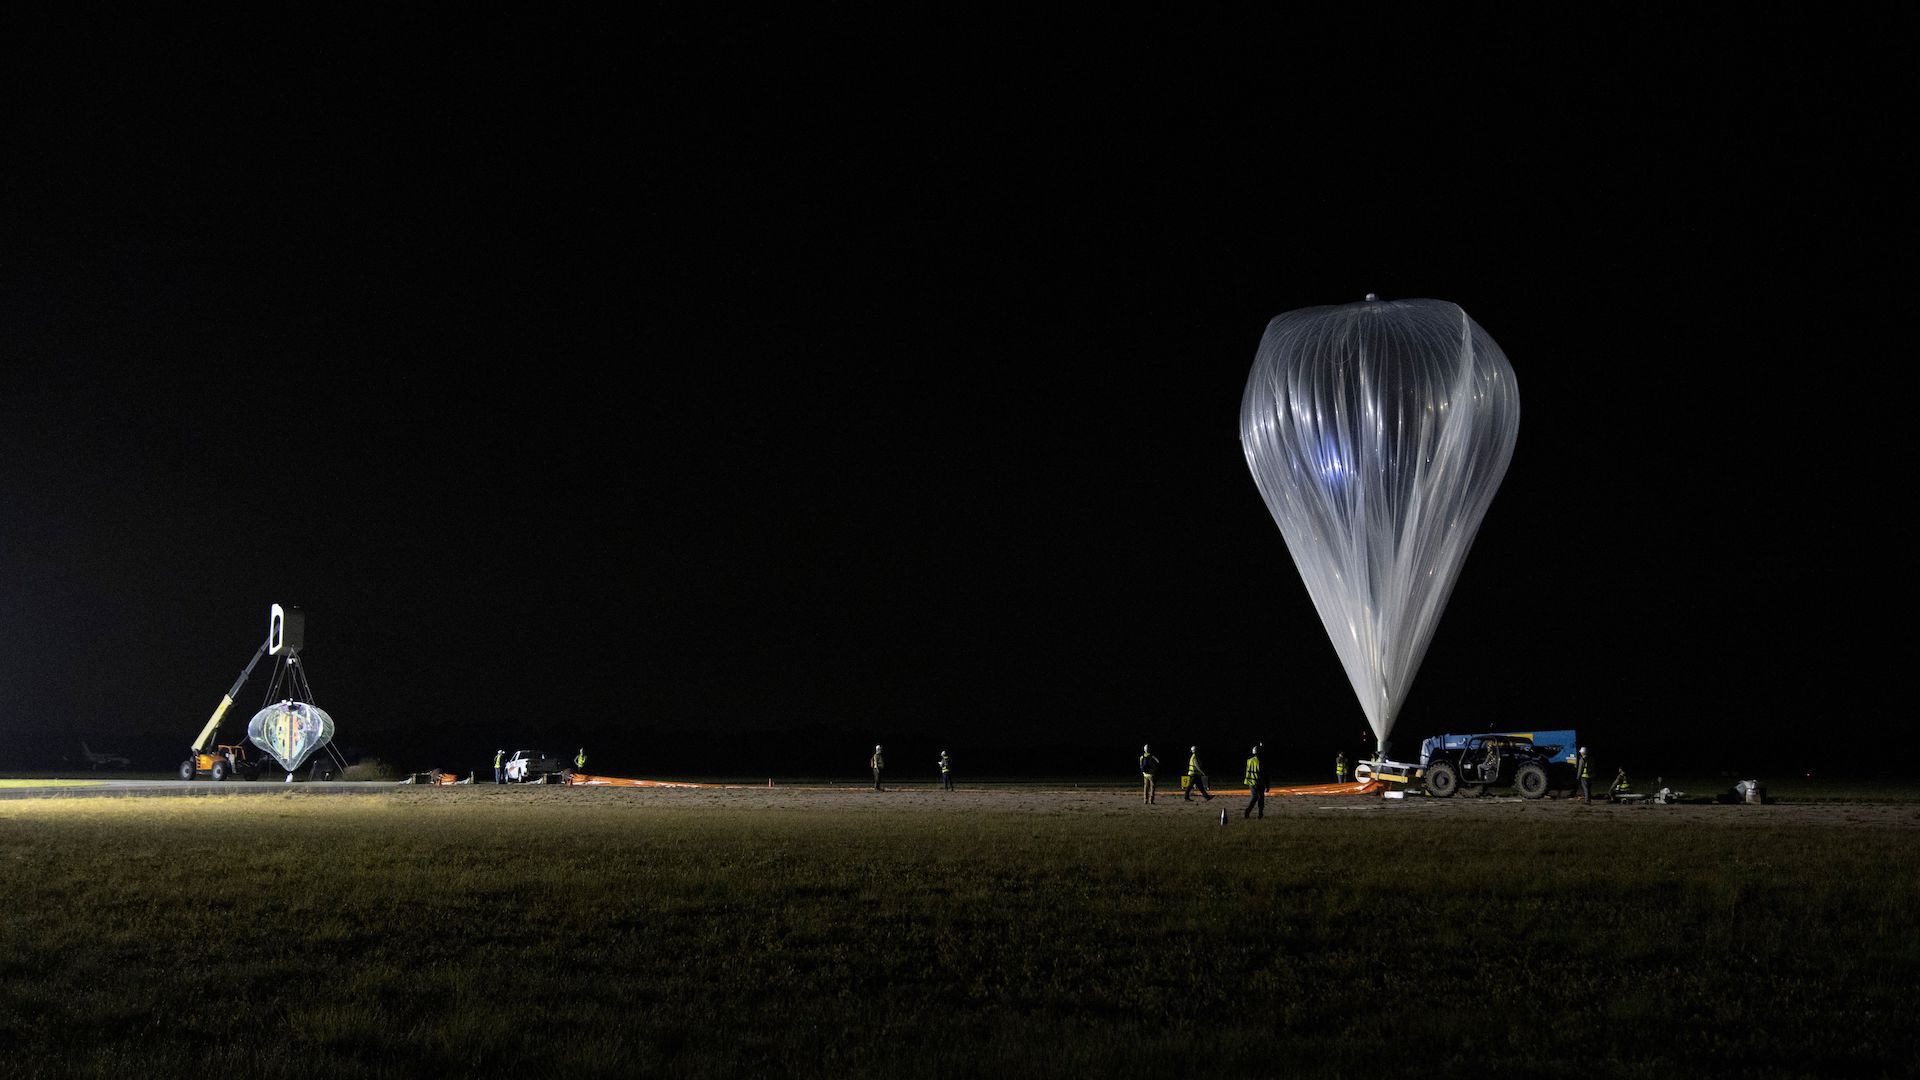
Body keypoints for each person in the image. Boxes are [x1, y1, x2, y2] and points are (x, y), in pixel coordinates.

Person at [1243, 745, 1265, 819]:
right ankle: (1260, 814)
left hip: (1250, 782)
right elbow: (1264, 774)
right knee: (1260, 798)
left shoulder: (1249, 760)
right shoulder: (1260, 761)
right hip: (1258, 782)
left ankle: (1248, 811)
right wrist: (1267, 784)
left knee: (1255, 797)